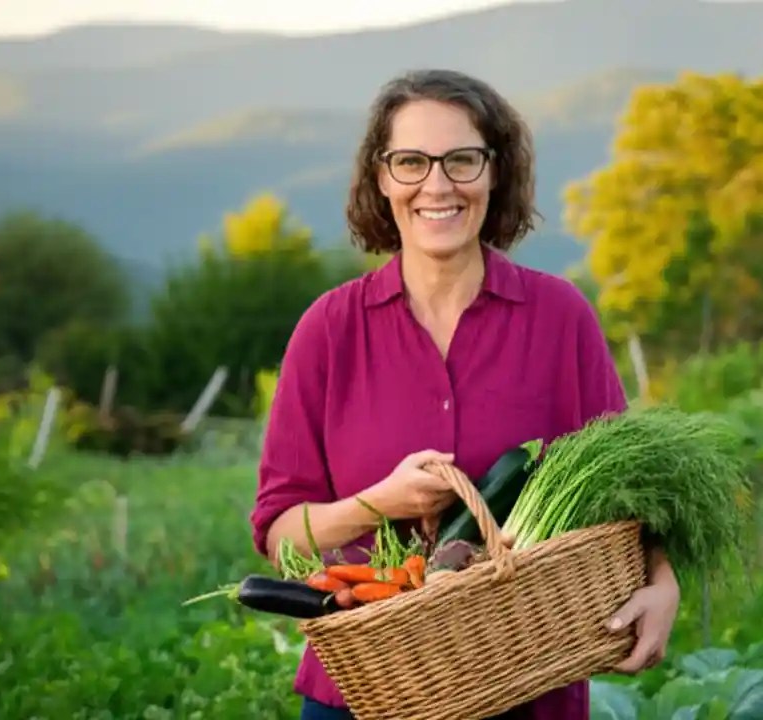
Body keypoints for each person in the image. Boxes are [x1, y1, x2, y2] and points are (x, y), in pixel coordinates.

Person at [249, 68, 681, 720]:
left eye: (461, 160)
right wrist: (378, 503)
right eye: (411, 162)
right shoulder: (329, 331)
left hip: (530, 675)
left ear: (494, 172)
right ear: (381, 178)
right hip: (366, 695)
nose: (437, 184)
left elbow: (632, 491)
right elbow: (282, 534)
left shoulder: (559, 317)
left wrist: (664, 584)